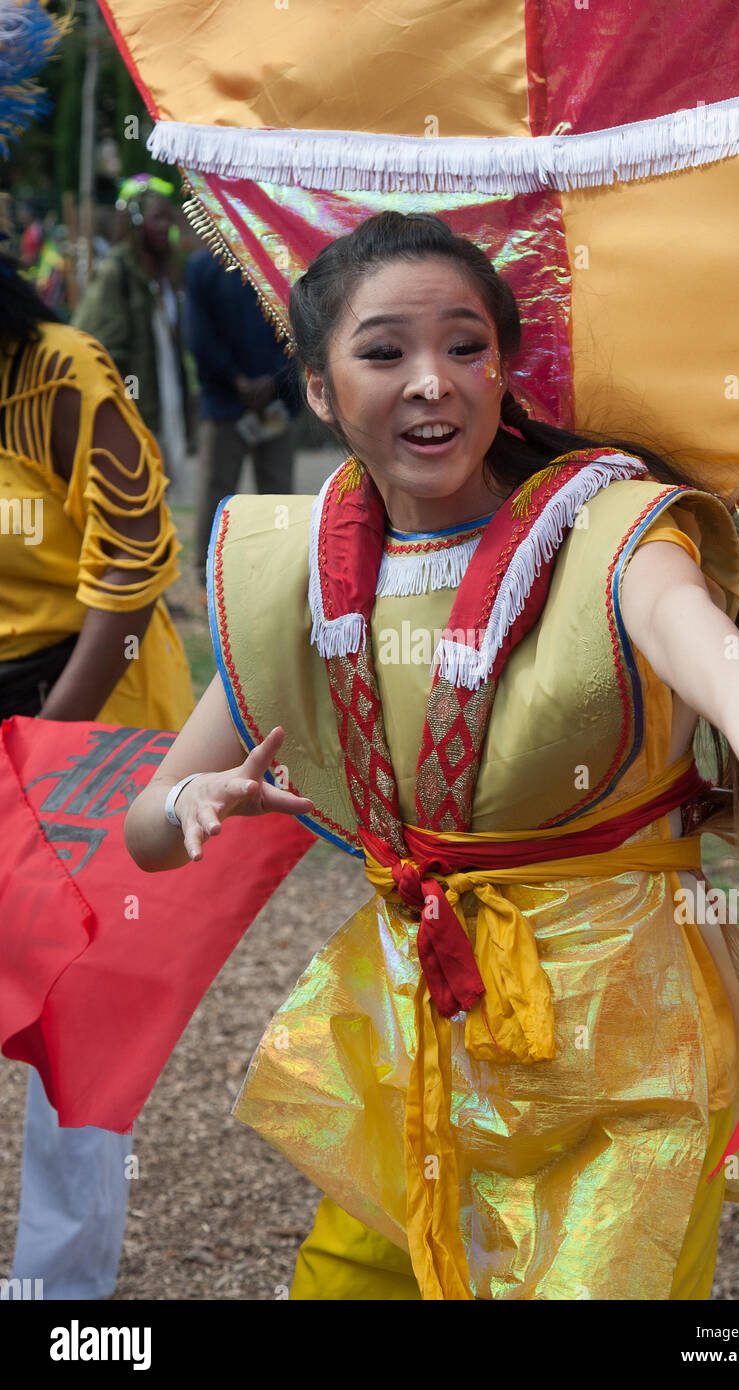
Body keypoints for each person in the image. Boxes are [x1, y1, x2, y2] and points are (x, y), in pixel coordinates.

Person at [124, 211, 739, 1301]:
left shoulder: (607, 523)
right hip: (414, 1032)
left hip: (621, 1042)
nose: (430, 382)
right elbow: (144, 831)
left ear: (504, 369)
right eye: (383, 352)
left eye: (465, 347)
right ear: (317, 388)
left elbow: (675, 621)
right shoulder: (305, 576)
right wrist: (189, 803)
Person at [0, 248, 195, 1298]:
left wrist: (43, 740)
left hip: (81, 715)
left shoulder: (59, 375)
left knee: (76, 1016)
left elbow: (131, 564)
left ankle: (56, 1293)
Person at [183, 247, 301, 597]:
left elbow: (296, 323)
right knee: (222, 489)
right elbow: (199, 335)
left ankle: (274, 572)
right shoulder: (205, 265)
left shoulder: (280, 259)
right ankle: (209, 572)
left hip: (270, 399)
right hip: (231, 401)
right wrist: (246, 380)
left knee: (267, 491)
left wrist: (265, 380)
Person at [72, 175, 194, 491]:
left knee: (157, 495)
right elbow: (98, 343)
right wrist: (123, 409)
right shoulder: (117, 270)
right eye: (157, 217)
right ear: (137, 221)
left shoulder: (164, 270)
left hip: (162, 402)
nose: (165, 225)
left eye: (168, 217)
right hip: (131, 411)